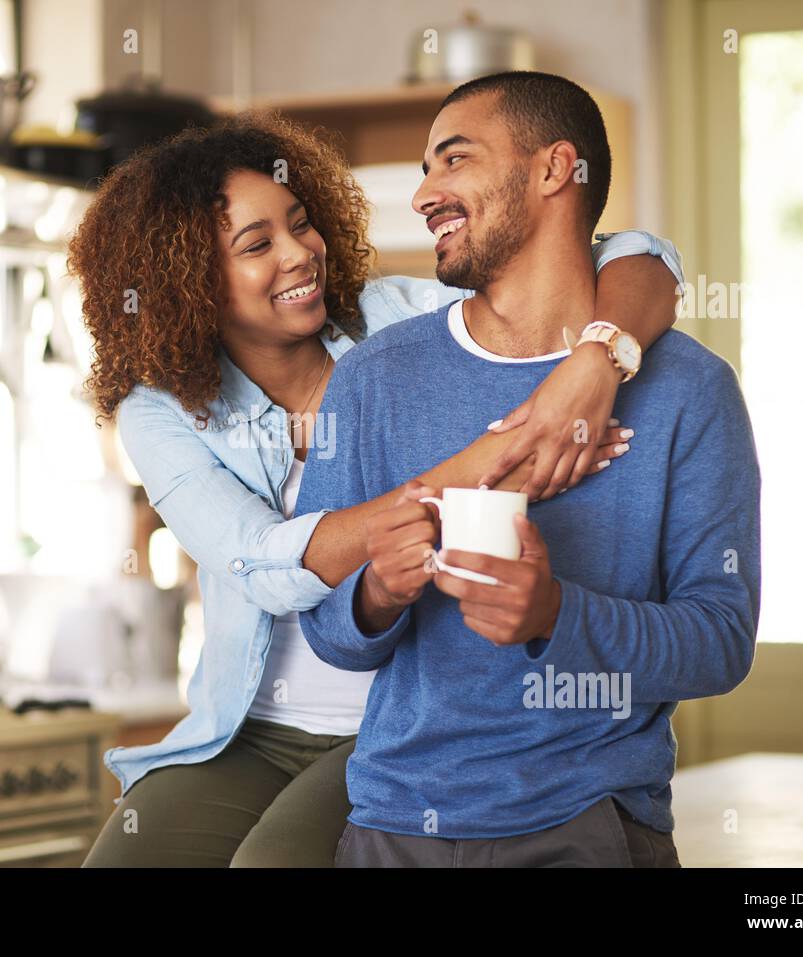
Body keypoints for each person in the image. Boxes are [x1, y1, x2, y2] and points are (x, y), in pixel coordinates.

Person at [70, 110, 686, 867]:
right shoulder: (159, 409)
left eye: (301, 224)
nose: (301, 254)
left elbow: (640, 256)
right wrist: (506, 449)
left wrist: (596, 362)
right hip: (246, 728)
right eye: (258, 244)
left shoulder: (402, 318)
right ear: (186, 281)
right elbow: (262, 563)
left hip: (395, 723)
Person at [296, 71, 761, 867]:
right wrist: (377, 590)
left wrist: (554, 612)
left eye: (454, 160)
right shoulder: (373, 378)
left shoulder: (690, 389)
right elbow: (331, 632)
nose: (425, 195)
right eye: (423, 171)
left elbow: (720, 641)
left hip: (589, 824)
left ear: (554, 170)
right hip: (393, 825)